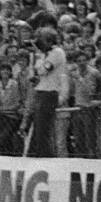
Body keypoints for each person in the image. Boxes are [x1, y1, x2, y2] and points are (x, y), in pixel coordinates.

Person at [29, 26, 67, 156]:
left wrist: (40, 57)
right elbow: (34, 73)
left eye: (41, 40)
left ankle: (47, 158)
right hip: (41, 92)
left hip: (49, 94)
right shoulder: (46, 54)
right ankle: (40, 155)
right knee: (38, 130)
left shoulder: (57, 52)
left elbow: (42, 70)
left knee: (43, 130)